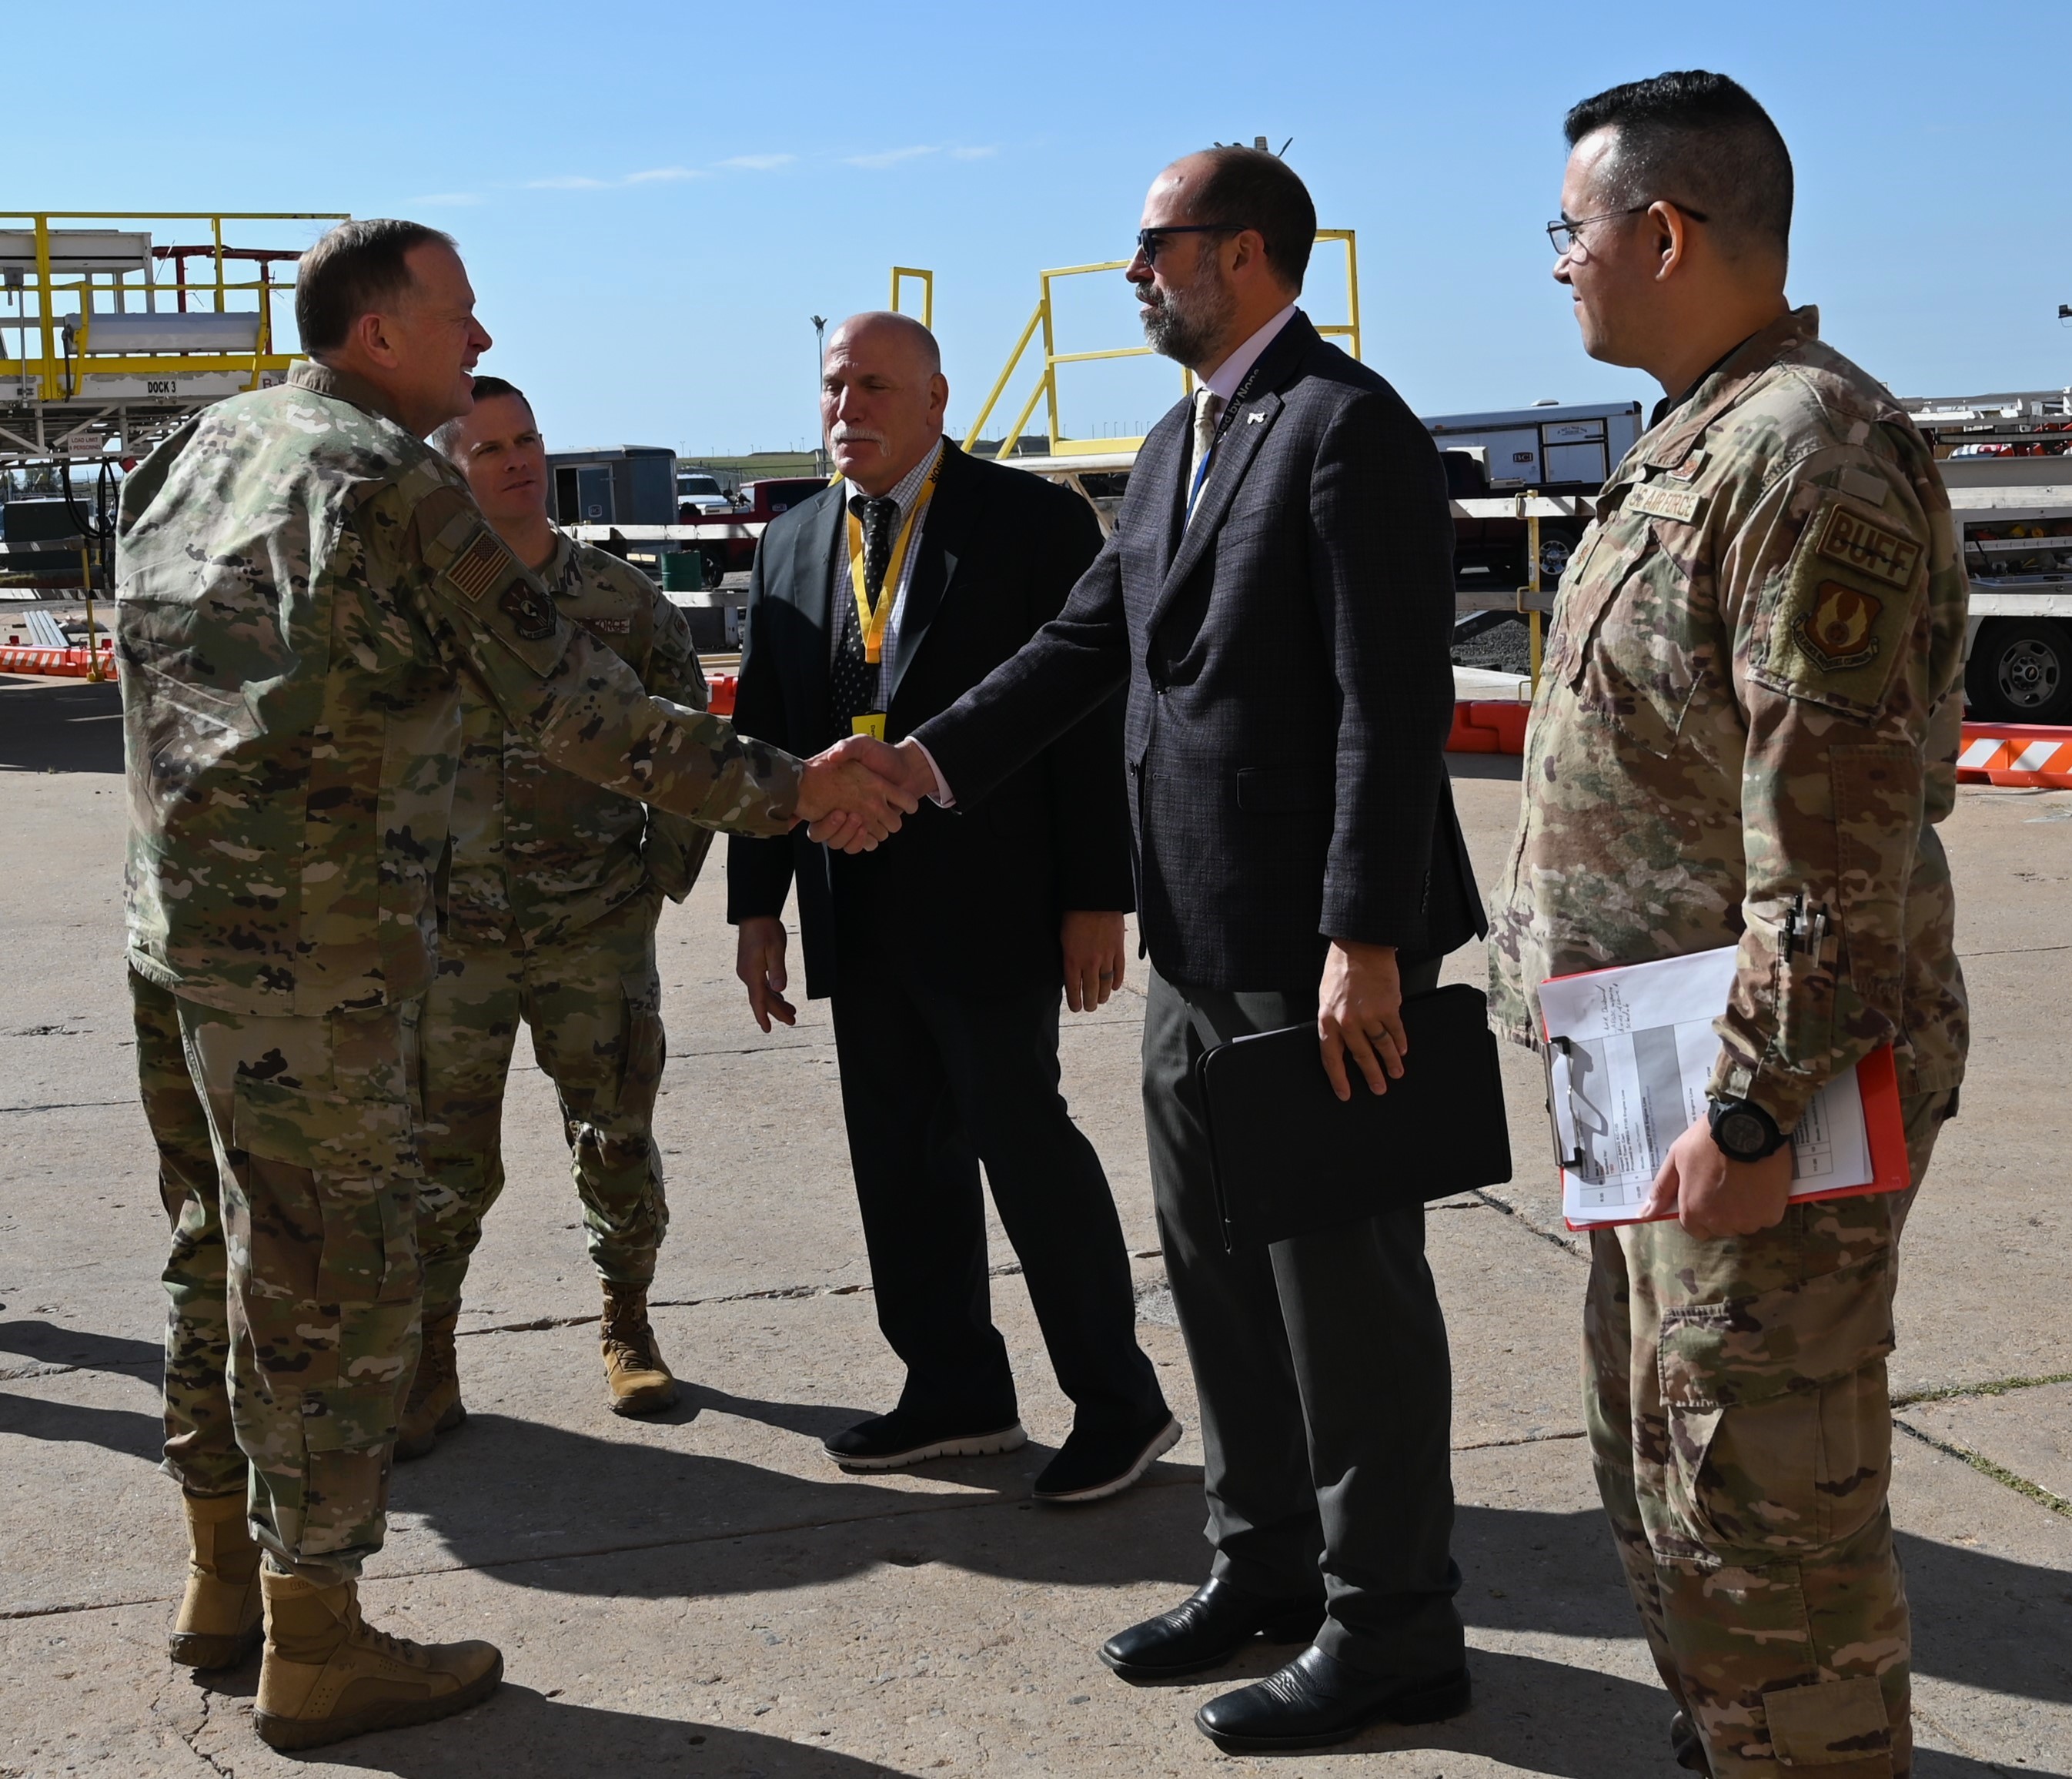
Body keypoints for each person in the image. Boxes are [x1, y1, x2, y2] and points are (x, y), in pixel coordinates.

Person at [119, 219, 911, 1753]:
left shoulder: (197, 449)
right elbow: (568, 704)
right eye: (459, 316)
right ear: (378, 331)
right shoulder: (385, 480)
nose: (478, 341)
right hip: (316, 965)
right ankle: (319, 1637)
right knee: (332, 1283)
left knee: (211, 1252)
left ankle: (221, 1584)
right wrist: (794, 791)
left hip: (176, 936)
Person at [866, 145, 1483, 1753]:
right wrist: (918, 765)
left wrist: (1369, 935)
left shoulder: (1348, 430)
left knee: (1343, 1300)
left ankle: (1393, 1626)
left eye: (1155, 245)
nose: (1133, 272)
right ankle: (1261, 1568)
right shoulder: (1173, 442)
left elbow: (1389, 705)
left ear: (1250, 252)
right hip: (1194, 944)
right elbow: (1086, 646)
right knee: (1216, 1276)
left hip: (1312, 957)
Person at [1485, 72, 1971, 1779]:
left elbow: (1826, 831)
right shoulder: (1700, 433)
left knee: (1768, 1536)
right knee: (1670, 1497)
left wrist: (1756, 1106)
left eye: (1572, 229)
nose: (1559, 262)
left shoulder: (1805, 449)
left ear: (1665, 232)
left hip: (1752, 1087)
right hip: (1655, 1074)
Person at [726, 310, 1174, 1498]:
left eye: (875, 385)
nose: (846, 408)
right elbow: (764, 729)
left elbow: (1083, 720)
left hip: (994, 898)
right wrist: (757, 906)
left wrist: (1096, 897)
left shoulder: (1030, 522)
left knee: (1024, 1149)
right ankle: (954, 1389)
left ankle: (1117, 1403)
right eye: (832, 386)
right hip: (851, 895)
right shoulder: (795, 539)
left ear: (937, 401)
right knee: (898, 1159)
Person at [401, 375, 714, 1447]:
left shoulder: (623, 604)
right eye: (486, 449)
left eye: (526, 439)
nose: (516, 460)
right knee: (443, 1163)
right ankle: (429, 1361)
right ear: (449, 473)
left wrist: (654, 881)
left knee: (616, 1137)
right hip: (455, 945)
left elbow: (689, 740)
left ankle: (629, 1329)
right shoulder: (415, 611)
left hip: (595, 929)